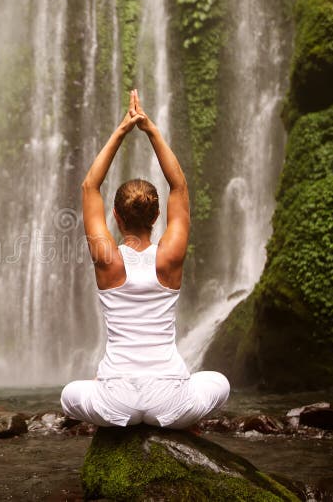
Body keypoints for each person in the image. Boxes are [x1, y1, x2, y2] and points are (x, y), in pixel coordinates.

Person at [60, 88, 230, 429]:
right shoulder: (170, 256)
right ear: (156, 218)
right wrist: (151, 130)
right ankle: (180, 423)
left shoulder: (107, 259)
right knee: (219, 383)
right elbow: (179, 187)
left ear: (116, 218)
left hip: (115, 398)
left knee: (69, 394)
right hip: (169, 398)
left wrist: (121, 131)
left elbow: (89, 187)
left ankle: (110, 405)